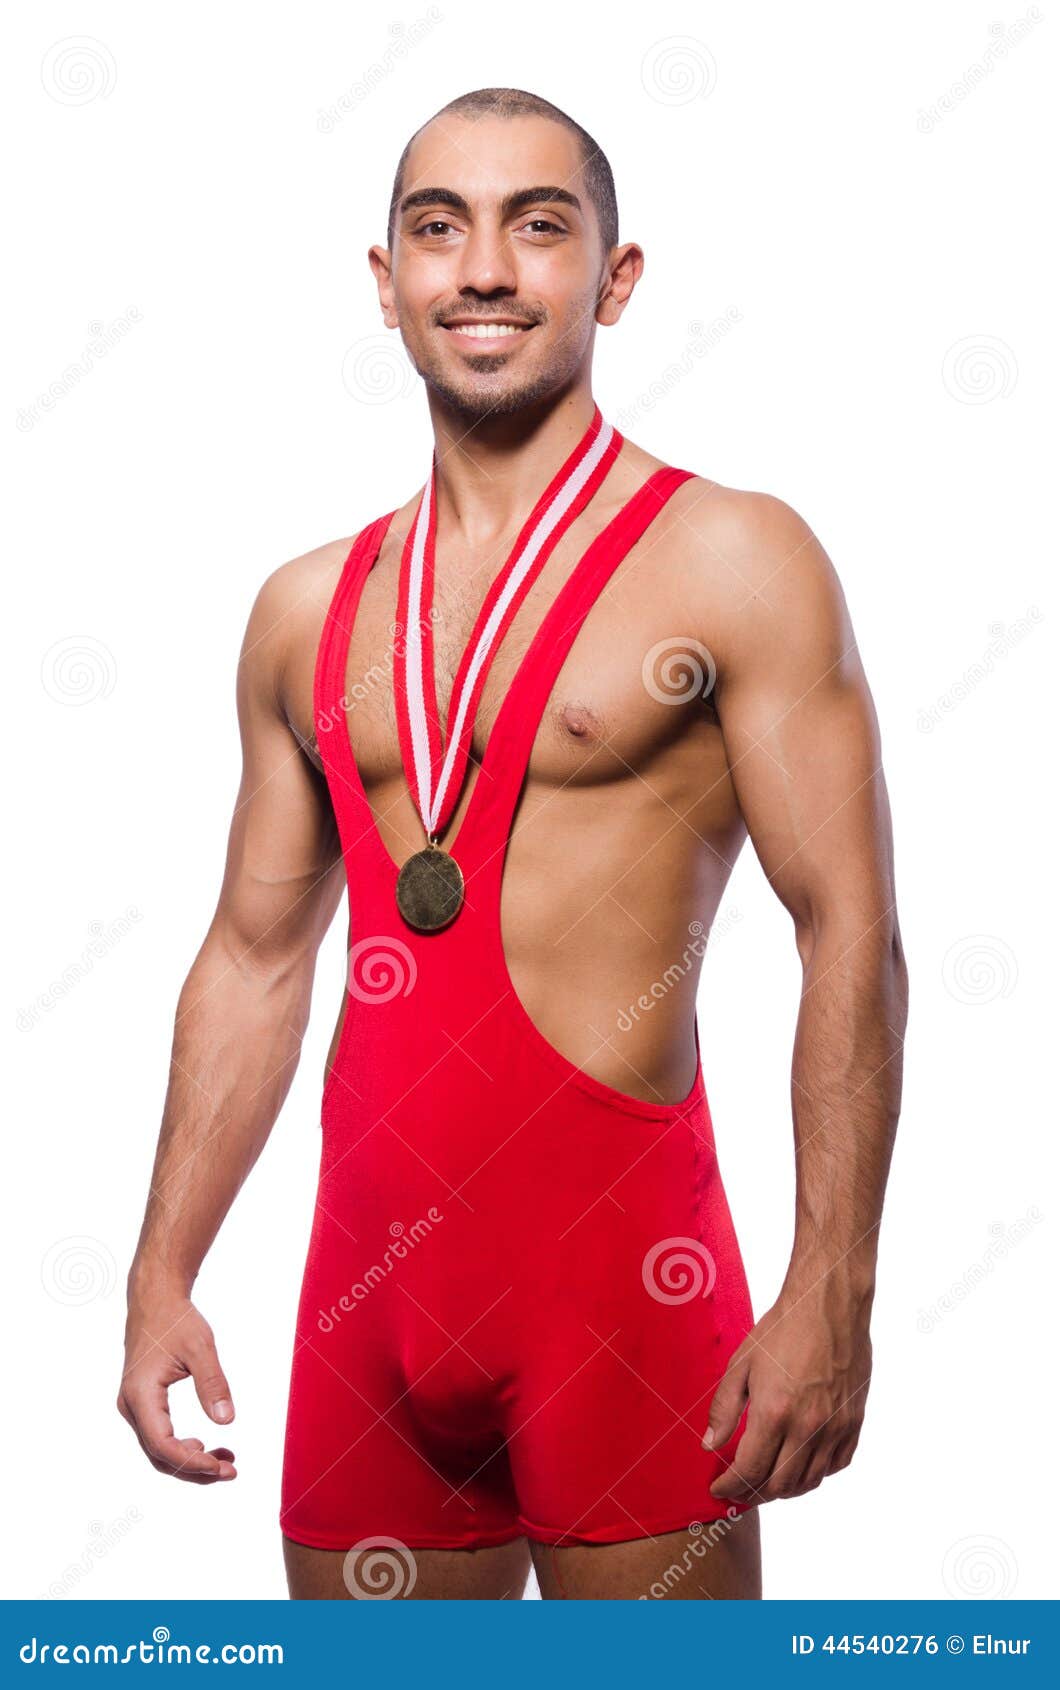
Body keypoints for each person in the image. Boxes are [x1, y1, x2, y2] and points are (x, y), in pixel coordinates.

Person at [118, 87, 908, 1601]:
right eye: (441, 229)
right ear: (387, 281)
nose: (484, 267)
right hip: (372, 1316)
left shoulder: (737, 558)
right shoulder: (306, 610)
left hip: (621, 1292)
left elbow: (851, 932)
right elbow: (256, 953)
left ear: (614, 280)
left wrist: (835, 1281)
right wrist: (162, 1267)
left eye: (537, 226)